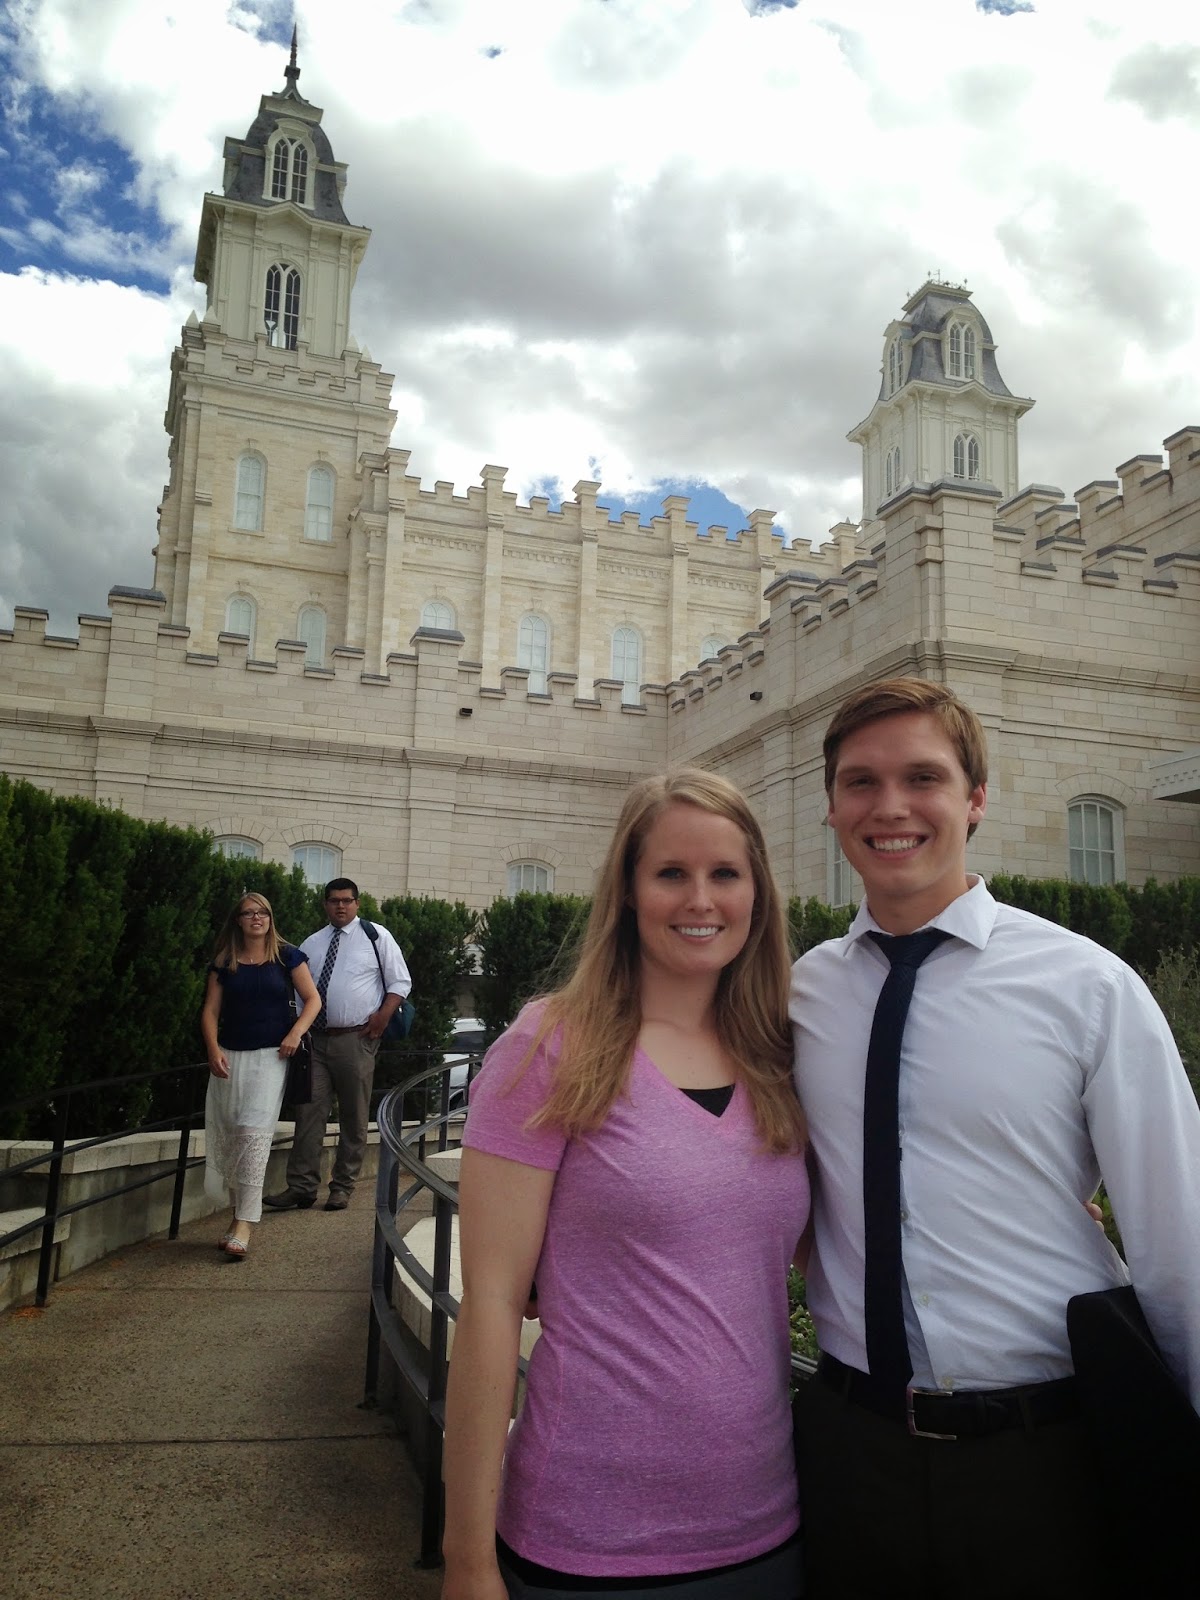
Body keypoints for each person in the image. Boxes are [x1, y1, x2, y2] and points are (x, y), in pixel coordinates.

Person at [789, 676, 1200, 1599]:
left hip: (1044, 1459)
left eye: (922, 778)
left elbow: (1180, 1239)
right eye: (860, 781)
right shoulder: (800, 992)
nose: (890, 807)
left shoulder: (1086, 987)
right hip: (851, 1449)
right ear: (830, 807)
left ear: (975, 799)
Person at [442, 771, 809, 1600]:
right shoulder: (550, 1047)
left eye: (726, 873)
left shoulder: (780, 1054)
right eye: (671, 873)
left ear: (757, 891)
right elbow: (494, 1304)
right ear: (629, 890)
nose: (701, 899)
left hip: (769, 1530)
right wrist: (466, 1560)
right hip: (587, 1543)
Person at [265, 878, 412, 1212]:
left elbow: (401, 981)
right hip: (314, 1041)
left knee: (354, 1114)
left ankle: (342, 1186)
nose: (341, 906)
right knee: (308, 1112)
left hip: (356, 1039)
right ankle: (301, 1187)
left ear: (357, 903)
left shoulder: (376, 936)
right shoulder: (313, 943)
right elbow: (301, 990)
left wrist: (382, 1018)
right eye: (334, 901)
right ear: (325, 904)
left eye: (347, 900)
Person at [200, 892, 321, 1259]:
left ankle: (245, 1223)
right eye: (249, 913)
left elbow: (312, 1000)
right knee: (234, 1133)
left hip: (272, 1056)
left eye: (263, 912)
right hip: (230, 1057)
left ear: (270, 918)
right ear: (238, 920)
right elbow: (209, 1011)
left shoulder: (288, 956)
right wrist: (213, 1048)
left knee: (253, 1133)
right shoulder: (224, 961)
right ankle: (238, 1215)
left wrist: (295, 1033)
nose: (257, 918)